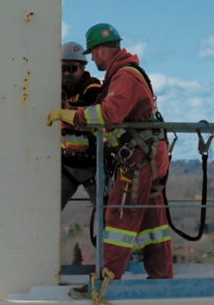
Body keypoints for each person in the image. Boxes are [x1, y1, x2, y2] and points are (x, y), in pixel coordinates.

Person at [46, 24, 173, 282]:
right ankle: (161, 277)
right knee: (152, 222)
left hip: (138, 159)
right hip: (146, 156)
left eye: (93, 54)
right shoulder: (123, 74)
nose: (93, 59)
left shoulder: (125, 76)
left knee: (118, 217)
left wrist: (68, 115)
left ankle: (107, 281)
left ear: (102, 50)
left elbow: (108, 114)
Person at [59, 42, 102, 210]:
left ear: (83, 68)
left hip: (92, 164)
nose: (66, 73)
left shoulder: (93, 87)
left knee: (105, 213)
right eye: (63, 68)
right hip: (66, 165)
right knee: (48, 209)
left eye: (72, 68)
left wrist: (67, 107)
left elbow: (91, 105)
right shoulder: (54, 88)